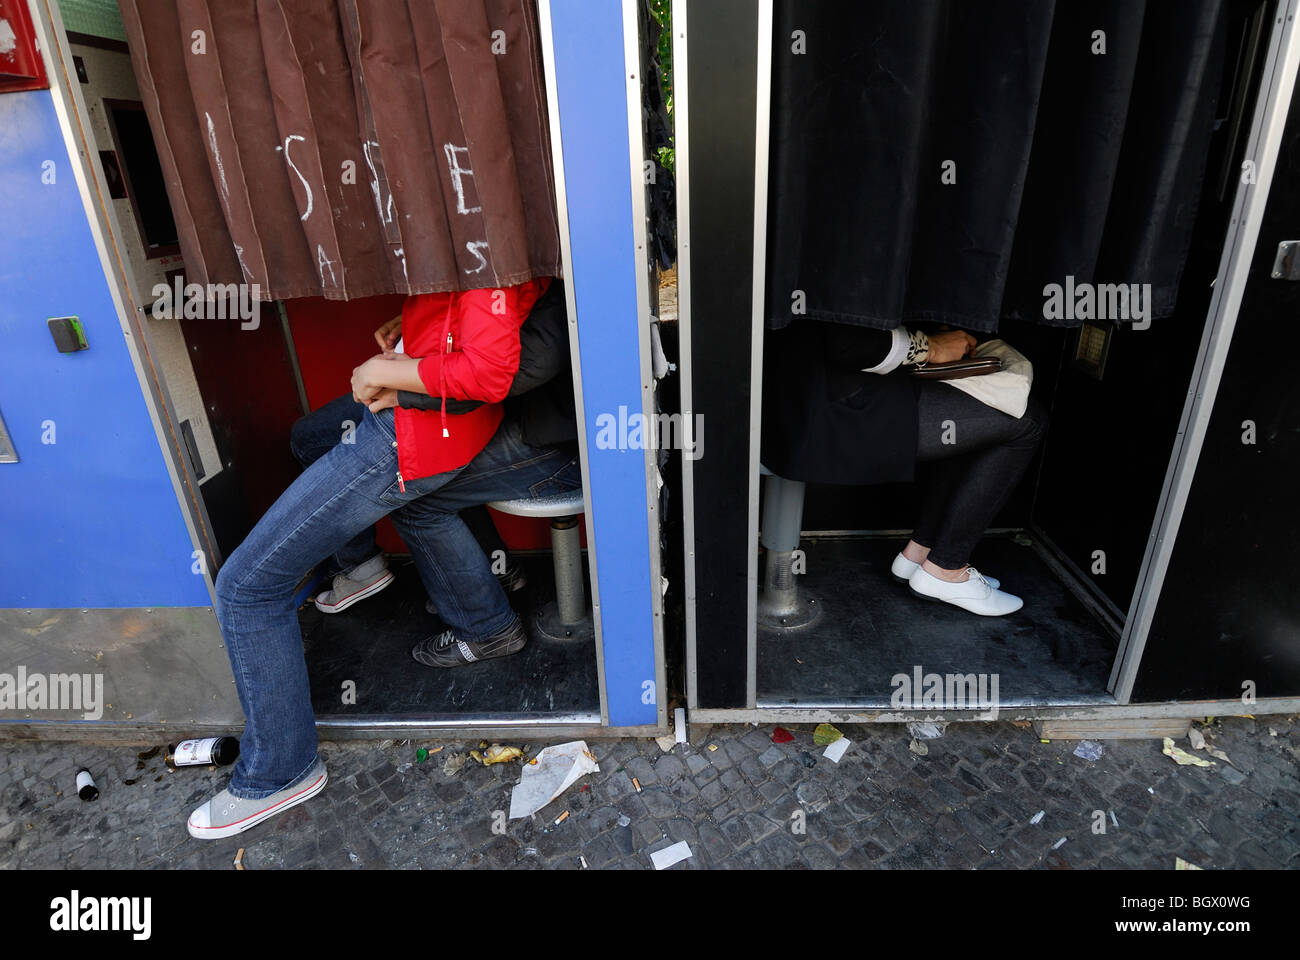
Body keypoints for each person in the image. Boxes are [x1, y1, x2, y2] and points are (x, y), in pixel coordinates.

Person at [189, 277, 551, 840]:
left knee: (247, 588)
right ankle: (361, 570)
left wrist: (389, 373)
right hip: (434, 425)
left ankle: (281, 771)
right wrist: (417, 328)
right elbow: (476, 320)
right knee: (311, 436)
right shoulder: (481, 229)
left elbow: (488, 372)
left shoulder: (482, 234)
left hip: (412, 436)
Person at [761, 318, 1048, 617]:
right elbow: (845, 342)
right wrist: (928, 346)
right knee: (1027, 422)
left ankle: (921, 554)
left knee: (981, 422)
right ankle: (946, 568)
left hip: (804, 394)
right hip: (822, 409)